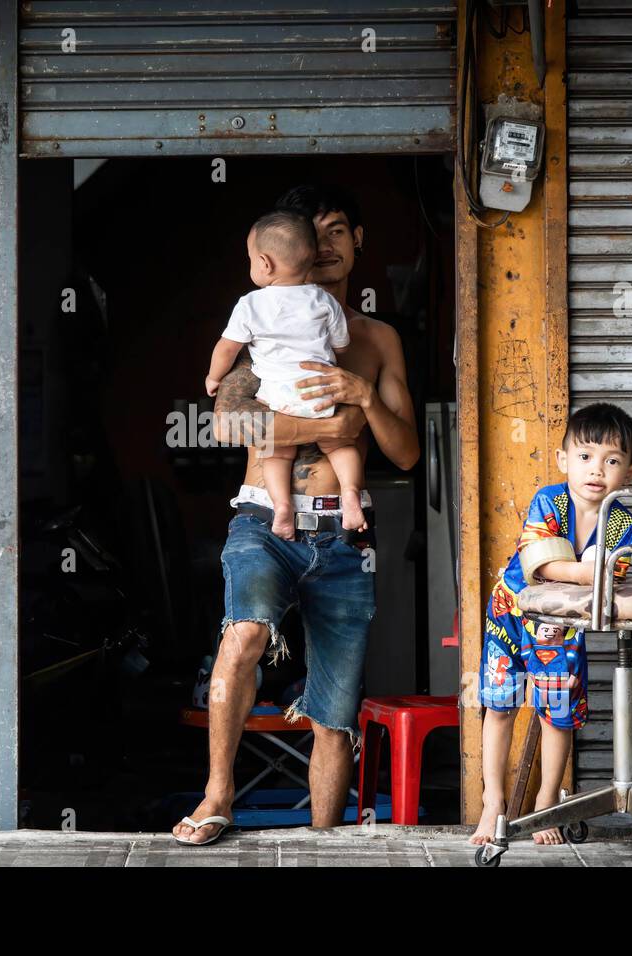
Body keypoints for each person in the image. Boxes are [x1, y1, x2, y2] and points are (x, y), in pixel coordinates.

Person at [172, 184, 419, 846]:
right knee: (244, 635)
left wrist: (363, 396)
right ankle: (218, 797)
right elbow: (227, 425)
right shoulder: (259, 328)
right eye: (313, 235)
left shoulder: (376, 339)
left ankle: (320, 845)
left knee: (335, 709)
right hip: (262, 520)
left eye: (338, 231)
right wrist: (332, 422)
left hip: (344, 533)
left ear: (355, 242)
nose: (324, 247)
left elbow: (407, 452)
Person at [469, 402, 632, 846]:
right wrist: (586, 570)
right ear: (564, 460)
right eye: (584, 457)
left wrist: (579, 570)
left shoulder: (622, 523)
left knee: (557, 715)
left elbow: (613, 574)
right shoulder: (549, 500)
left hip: (565, 624)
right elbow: (539, 565)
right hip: (511, 612)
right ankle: (494, 800)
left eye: (612, 460)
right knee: (501, 705)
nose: (596, 470)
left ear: (631, 471)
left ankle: (547, 801)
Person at [205, 210, 366, 538]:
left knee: (275, 451)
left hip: (277, 397)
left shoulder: (250, 305)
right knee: (340, 445)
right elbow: (342, 343)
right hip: (319, 391)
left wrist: (213, 377)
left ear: (263, 263)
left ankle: (281, 507)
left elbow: (226, 348)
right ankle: (350, 493)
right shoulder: (323, 300)